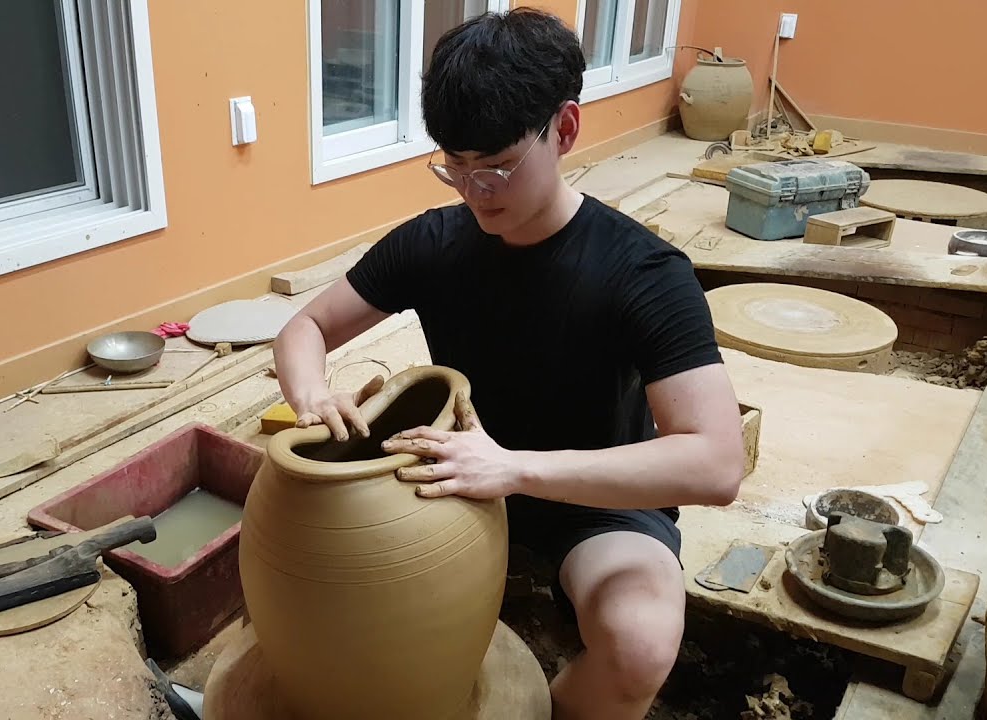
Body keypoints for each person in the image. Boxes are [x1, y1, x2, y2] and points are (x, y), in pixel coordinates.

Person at [272, 8, 745, 720]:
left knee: (640, 643)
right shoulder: (434, 243)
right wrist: (312, 394)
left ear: (565, 129)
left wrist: (516, 468)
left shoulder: (643, 272)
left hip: (593, 500)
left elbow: (716, 463)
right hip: (455, 484)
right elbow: (304, 327)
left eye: (497, 167)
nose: (475, 192)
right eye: (455, 168)